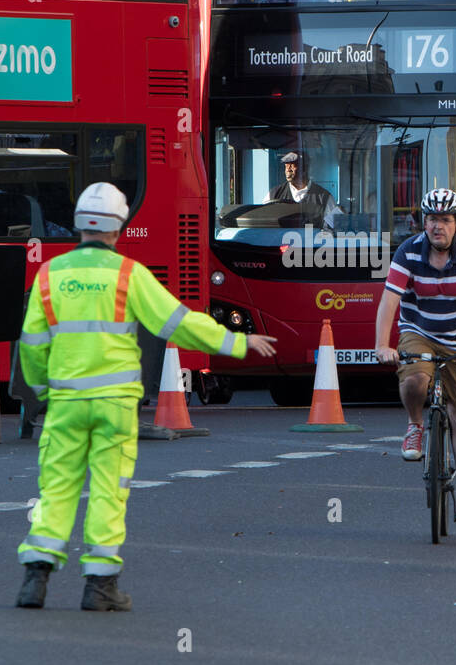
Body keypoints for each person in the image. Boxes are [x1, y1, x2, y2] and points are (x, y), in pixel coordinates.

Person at [15, 182, 277, 611]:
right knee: (107, 490)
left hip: (64, 404)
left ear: (80, 224)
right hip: (115, 406)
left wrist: (43, 391)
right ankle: (100, 588)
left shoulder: (50, 275)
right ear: (119, 227)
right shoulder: (129, 275)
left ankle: (35, 580)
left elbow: (31, 344)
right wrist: (235, 342)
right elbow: (178, 322)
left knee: (56, 488)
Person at [374, 188, 456, 522]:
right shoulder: (409, 251)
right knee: (416, 376)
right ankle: (415, 423)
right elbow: (390, 300)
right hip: (420, 331)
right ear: (423, 222)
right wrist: (382, 346)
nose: (437, 226)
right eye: (432, 219)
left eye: (445, 220)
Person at [268, 151, 338, 230]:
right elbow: (262, 224)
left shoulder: (324, 198)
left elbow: (335, 228)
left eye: (292, 165)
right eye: (286, 165)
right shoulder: (274, 194)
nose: (288, 169)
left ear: (305, 168)